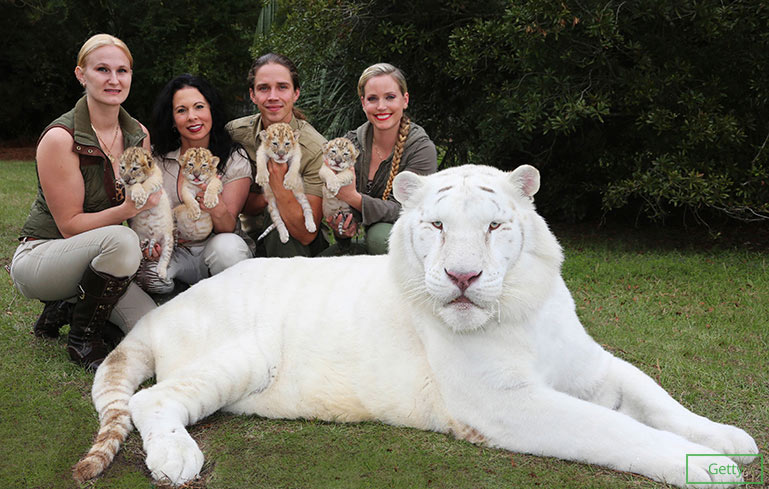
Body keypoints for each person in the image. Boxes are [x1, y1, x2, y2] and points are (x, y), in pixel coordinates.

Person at [9, 34, 158, 371]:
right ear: (81, 74)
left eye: (123, 70)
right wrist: (128, 211)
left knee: (153, 329)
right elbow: (70, 225)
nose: (114, 79)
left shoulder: (138, 134)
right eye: (102, 69)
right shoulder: (60, 138)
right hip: (44, 256)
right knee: (122, 239)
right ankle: (83, 338)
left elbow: (141, 203)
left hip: (102, 259)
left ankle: (72, 304)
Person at [135, 74, 253, 295]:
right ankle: (178, 297)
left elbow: (226, 227)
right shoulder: (157, 159)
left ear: (211, 111)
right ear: (171, 118)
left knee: (229, 248)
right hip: (175, 249)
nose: (192, 117)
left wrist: (214, 204)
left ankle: (228, 303)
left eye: (199, 107)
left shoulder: (233, 157)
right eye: (181, 110)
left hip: (216, 247)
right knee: (150, 276)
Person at [322, 62, 437, 255]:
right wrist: (342, 227)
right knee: (321, 264)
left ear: (405, 100)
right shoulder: (351, 144)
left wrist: (353, 197)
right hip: (361, 243)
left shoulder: (421, 148)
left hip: (408, 243)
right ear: (363, 103)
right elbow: (341, 206)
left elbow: (404, 210)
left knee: (379, 237)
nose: (381, 106)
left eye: (390, 97)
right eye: (372, 99)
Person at [226, 53, 327, 257]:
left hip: (298, 243)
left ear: (295, 93)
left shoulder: (314, 148)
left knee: (279, 213)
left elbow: (307, 233)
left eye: (282, 87)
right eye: (264, 88)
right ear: (252, 95)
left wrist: (277, 188)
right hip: (245, 234)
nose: (273, 96)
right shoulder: (235, 134)